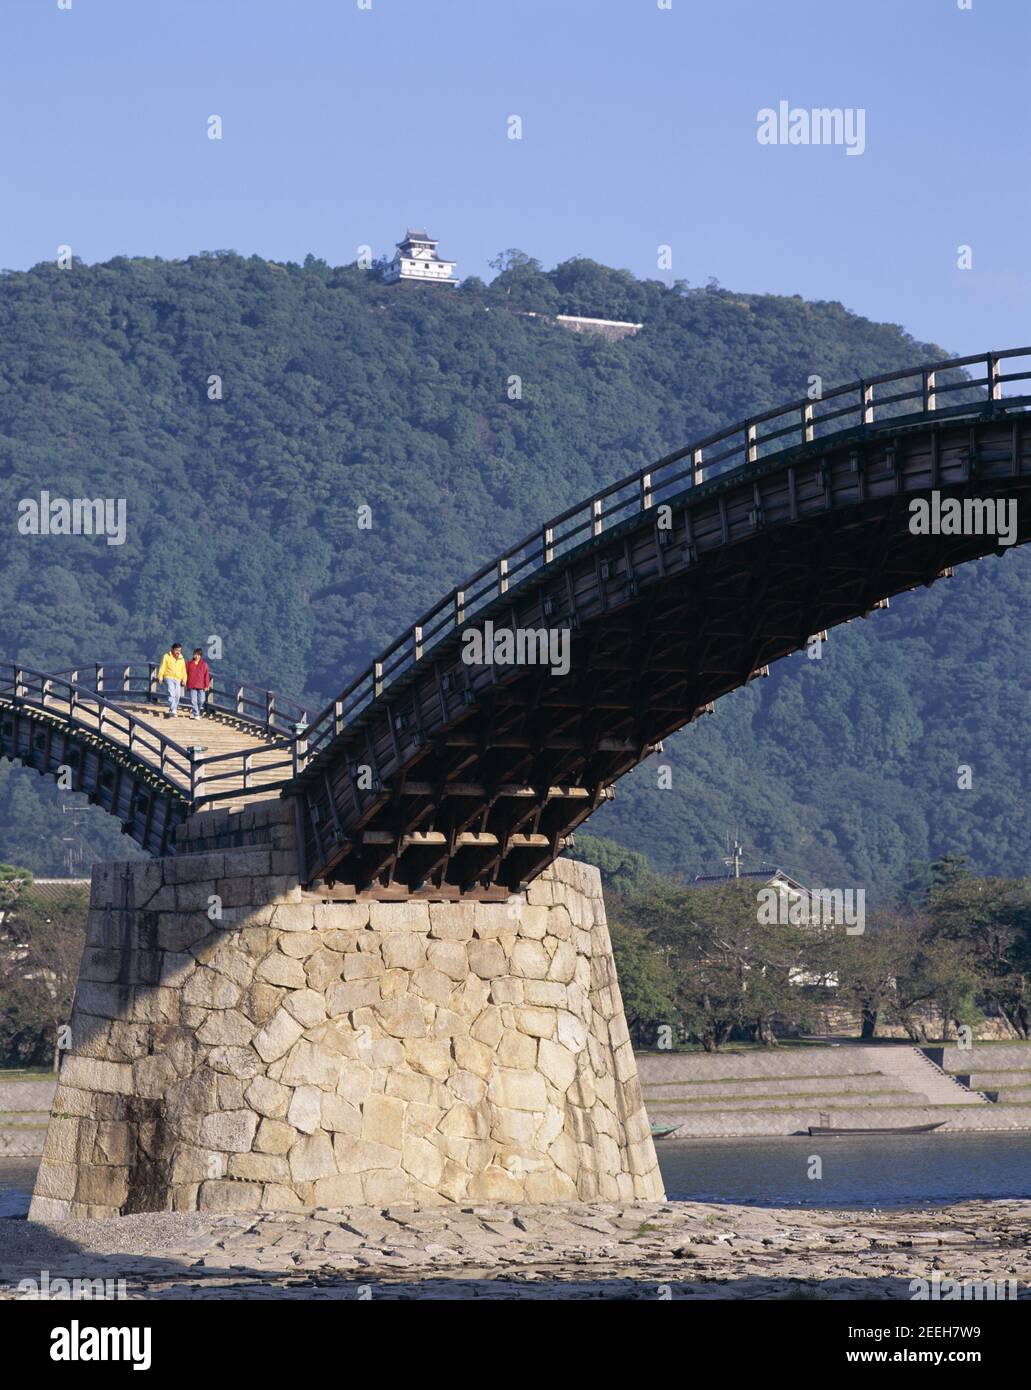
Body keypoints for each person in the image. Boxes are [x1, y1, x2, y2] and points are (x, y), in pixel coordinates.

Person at [157, 642, 187, 718]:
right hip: (168, 676)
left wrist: (184, 679)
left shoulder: (181, 658)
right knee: (171, 692)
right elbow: (162, 667)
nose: (178, 652)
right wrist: (160, 676)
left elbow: (183, 670)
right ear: (172, 649)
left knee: (177, 695)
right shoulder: (166, 656)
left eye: (179, 650)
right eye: (177, 650)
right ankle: (173, 709)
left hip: (178, 678)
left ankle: (172, 709)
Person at [185, 647, 212, 720]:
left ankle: (196, 711)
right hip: (192, 685)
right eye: (196, 655)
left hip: (201, 685)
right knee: (193, 701)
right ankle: (196, 714)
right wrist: (184, 681)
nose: (197, 656)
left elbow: (206, 675)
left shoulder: (204, 664)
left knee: (201, 700)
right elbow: (185, 673)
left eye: (199, 655)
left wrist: (207, 685)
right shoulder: (189, 664)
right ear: (193, 655)